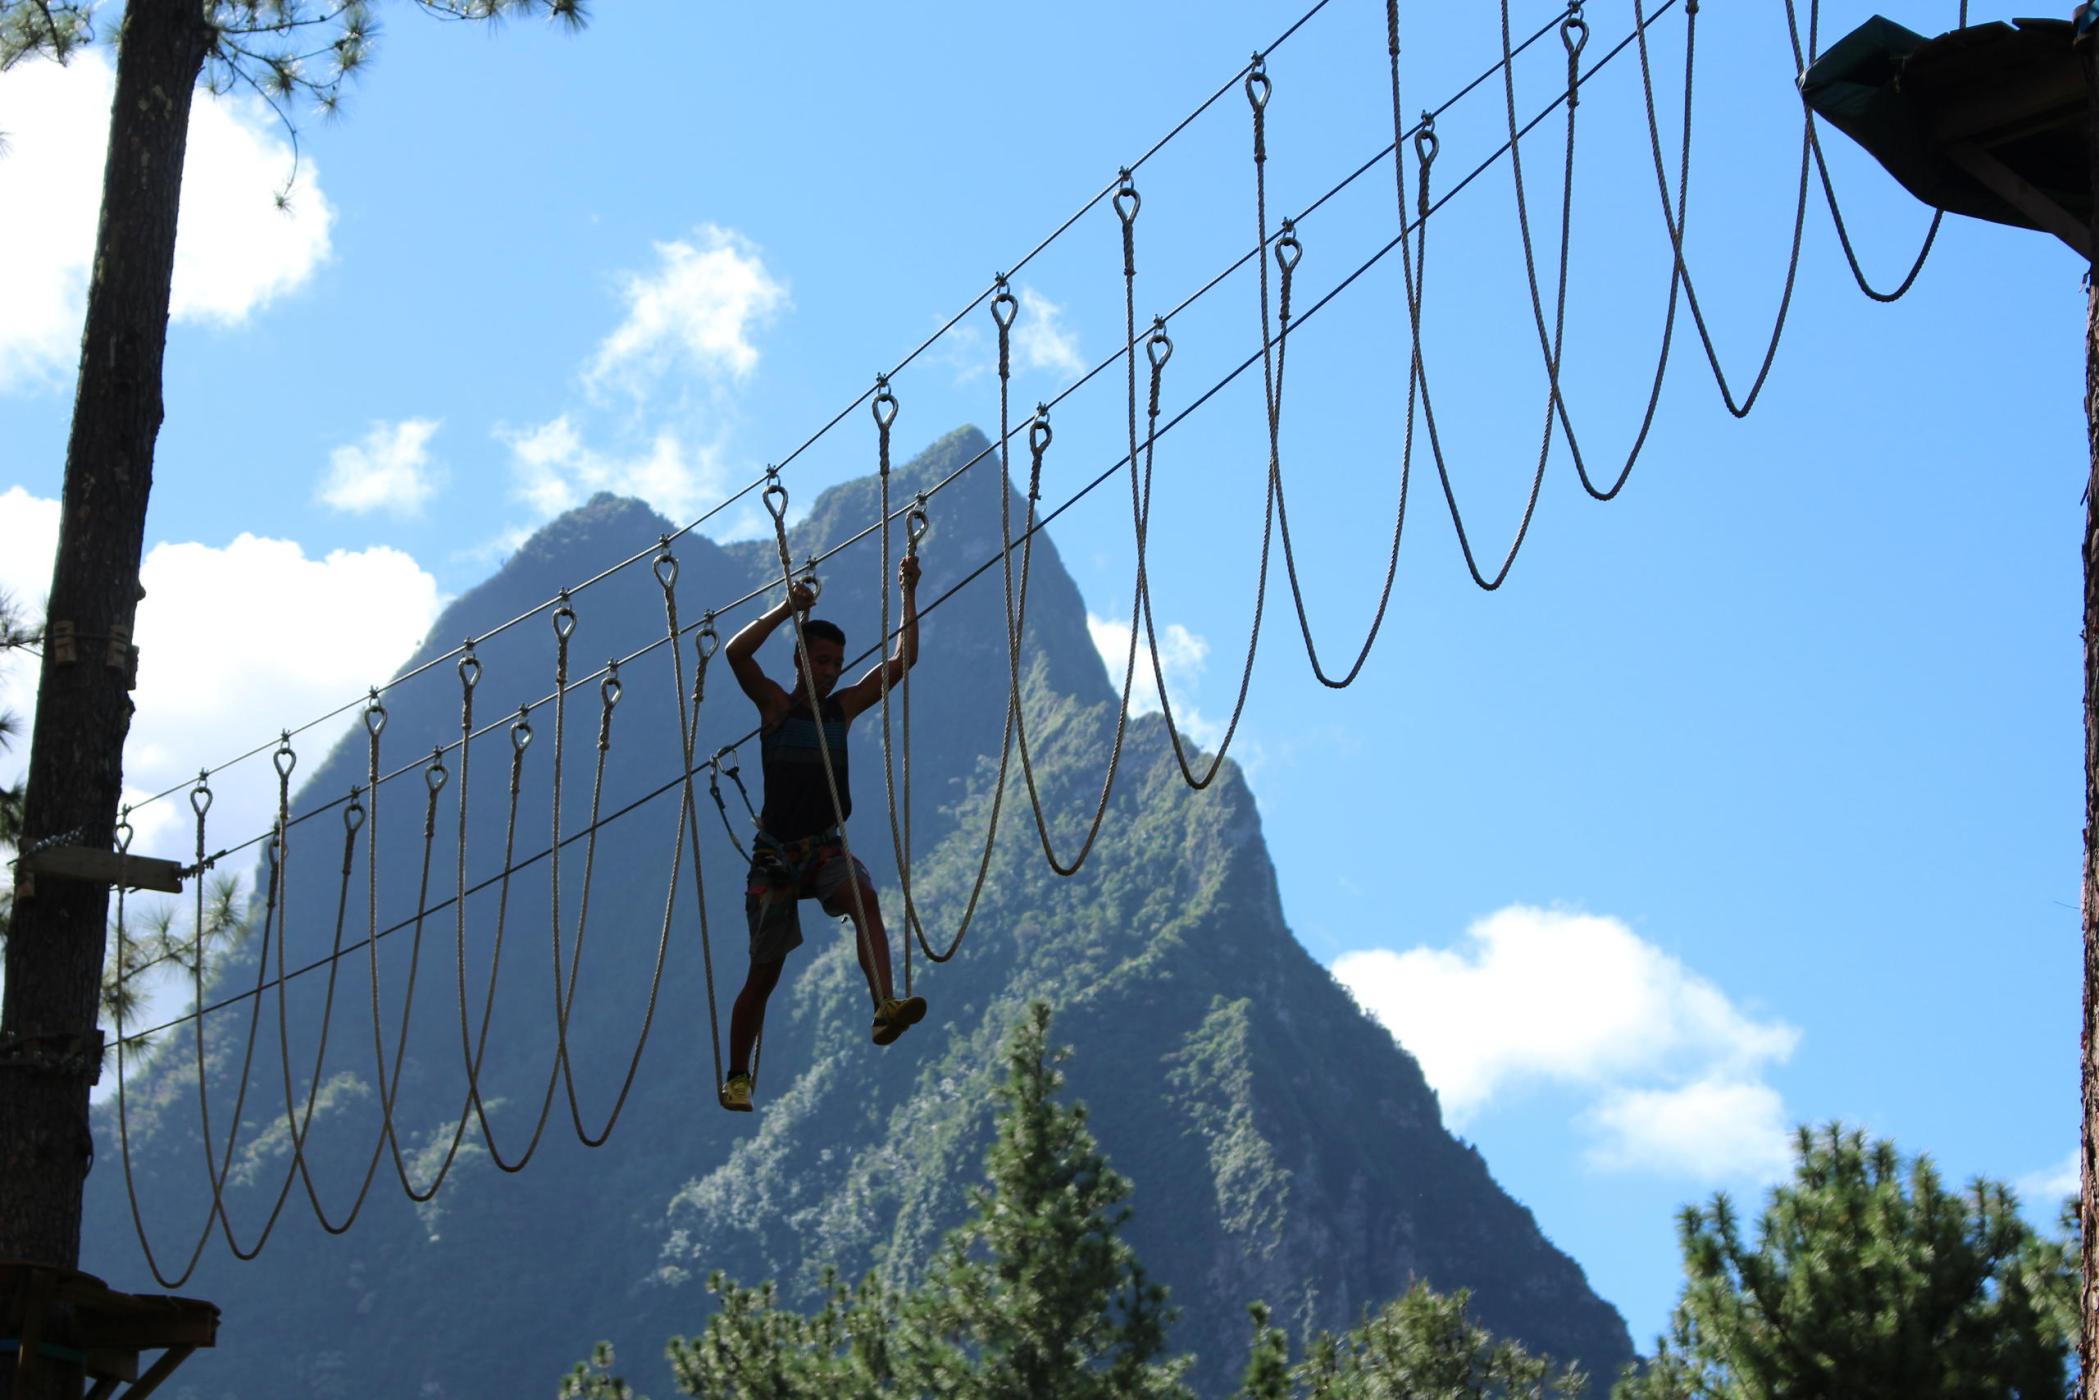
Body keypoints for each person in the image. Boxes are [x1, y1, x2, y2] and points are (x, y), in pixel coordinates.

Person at [715, 554, 927, 1111]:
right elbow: (735, 654)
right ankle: (736, 1076)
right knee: (764, 974)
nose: (831, 671)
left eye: (837, 663)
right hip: (777, 859)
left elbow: (903, 660)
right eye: (821, 660)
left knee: (864, 895)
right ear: (800, 659)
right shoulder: (776, 708)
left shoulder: (842, 710)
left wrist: (908, 589)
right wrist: (786, 609)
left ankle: (884, 1005)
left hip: (824, 849)